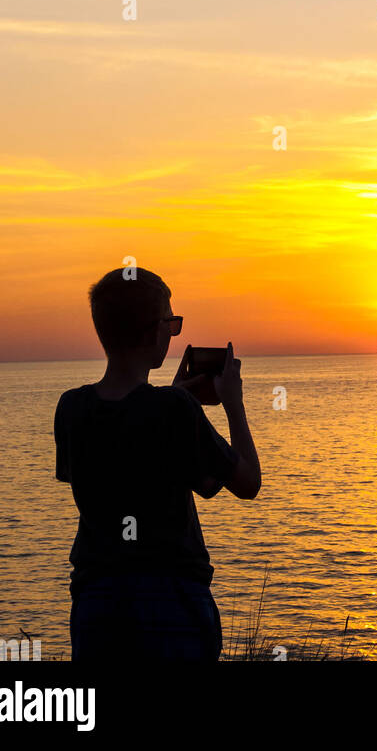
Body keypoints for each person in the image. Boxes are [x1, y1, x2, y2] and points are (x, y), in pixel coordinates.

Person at [54, 268, 261, 660]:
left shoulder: (71, 408)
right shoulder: (174, 409)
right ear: (153, 332)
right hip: (170, 602)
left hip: (97, 602)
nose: (173, 332)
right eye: (171, 322)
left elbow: (122, 452)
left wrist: (168, 403)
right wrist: (233, 402)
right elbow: (247, 482)